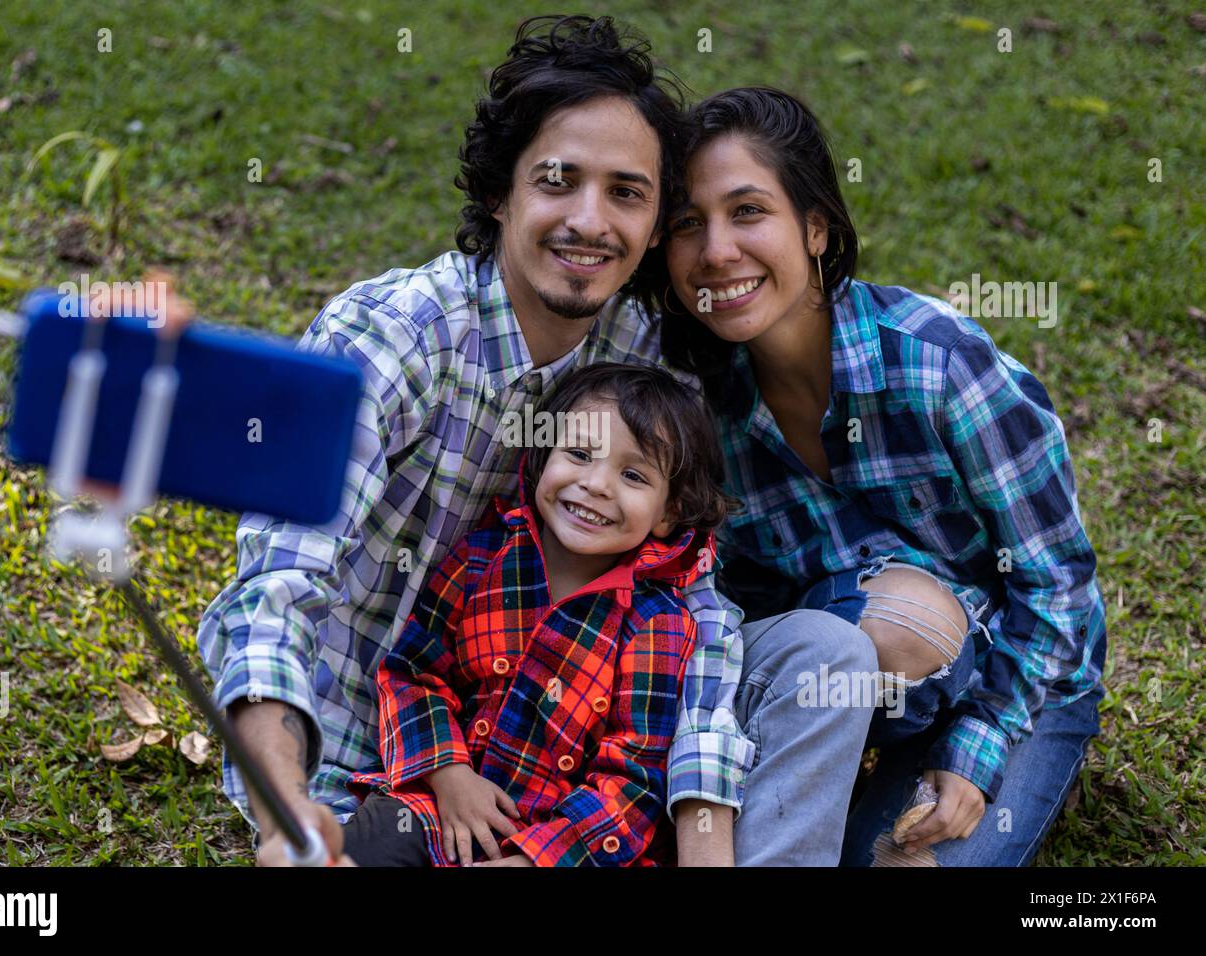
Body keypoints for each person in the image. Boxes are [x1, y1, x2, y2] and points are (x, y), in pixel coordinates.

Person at [195, 15, 757, 867]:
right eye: (558, 181)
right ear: (503, 192)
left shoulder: (645, 367)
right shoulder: (385, 339)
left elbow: (696, 603)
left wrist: (703, 835)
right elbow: (276, 587)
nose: (589, 221)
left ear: (652, 225)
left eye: (627, 193)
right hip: (353, 771)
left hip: (552, 801)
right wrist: (285, 816)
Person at [650, 86, 1107, 865]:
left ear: (817, 227)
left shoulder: (938, 365)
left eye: (748, 211)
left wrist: (979, 744)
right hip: (848, 677)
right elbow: (714, 609)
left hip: (1019, 680)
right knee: (866, 637)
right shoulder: (698, 412)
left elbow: (1058, 583)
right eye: (689, 223)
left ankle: (1010, 761)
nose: (716, 250)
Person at [340, 364, 734, 866]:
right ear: (542, 455)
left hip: (561, 845)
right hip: (440, 806)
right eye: (577, 454)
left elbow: (633, 779)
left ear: (668, 514)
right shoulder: (481, 560)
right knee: (365, 849)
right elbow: (413, 671)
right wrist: (449, 773)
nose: (595, 484)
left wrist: (532, 859)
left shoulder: (658, 624)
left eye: (633, 475)